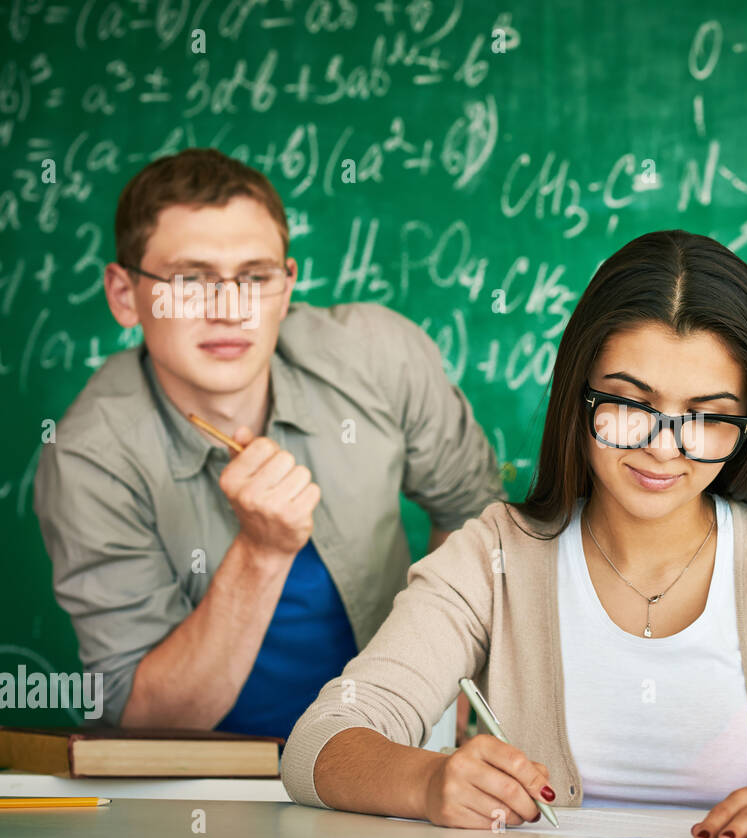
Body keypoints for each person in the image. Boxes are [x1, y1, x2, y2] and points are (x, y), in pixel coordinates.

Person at [281, 230, 747, 838]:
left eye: (707, 418)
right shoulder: (496, 554)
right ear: (578, 394)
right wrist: (427, 781)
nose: (662, 447)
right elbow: (322, 738)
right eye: (629, 403)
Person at [33, 148, 505, 738]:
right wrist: (261, 552)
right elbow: (145, 717)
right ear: (126, 295)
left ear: (286, 288)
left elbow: (474, 512)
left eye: (254, 278)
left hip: (387, 758)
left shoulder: (379, 355)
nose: (230, 311)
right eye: (190, 281)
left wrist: (439, 700)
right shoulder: (89, 456)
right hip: (200, 788)